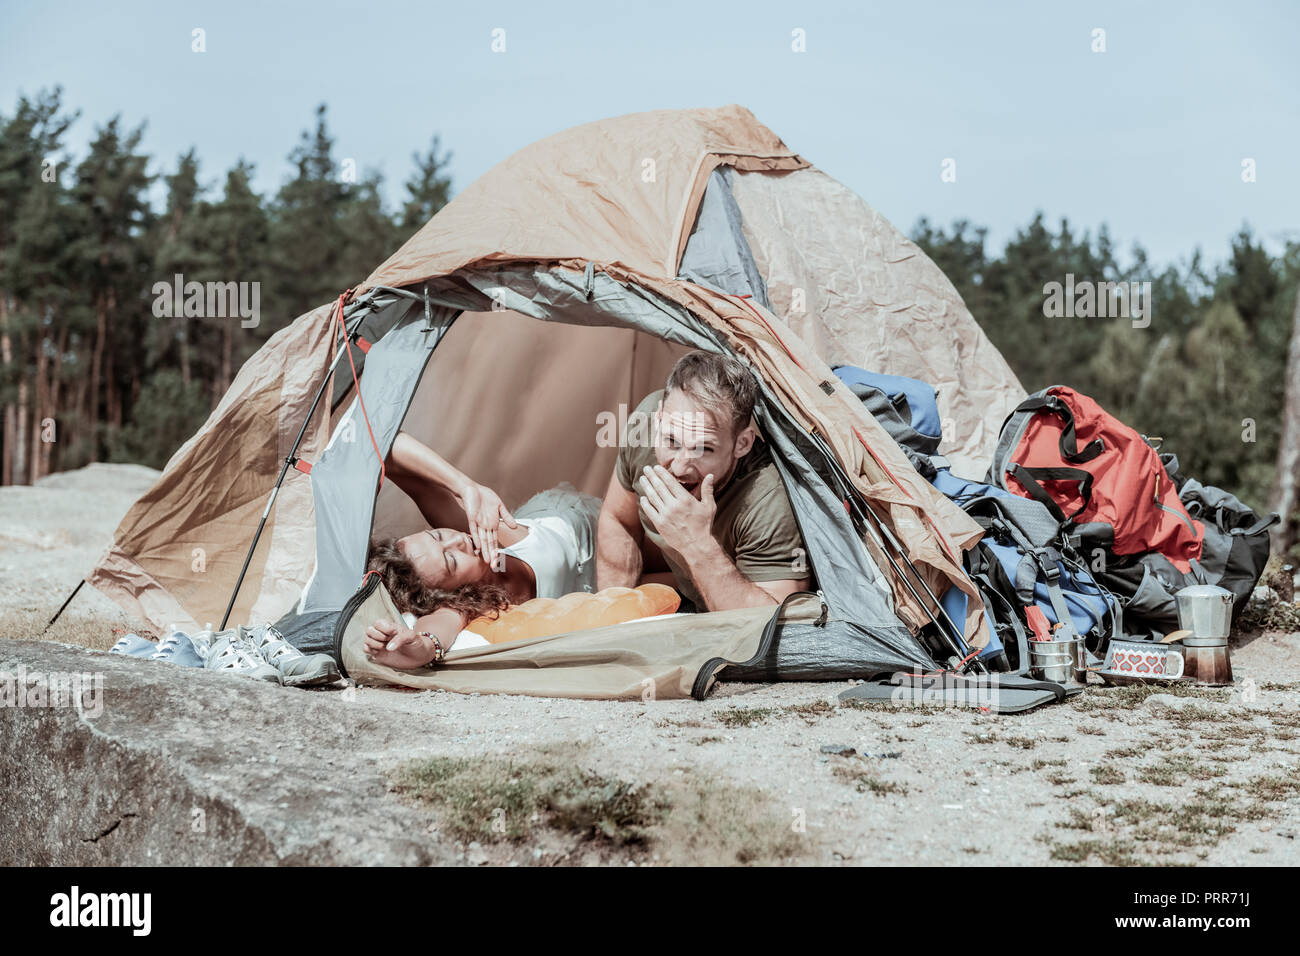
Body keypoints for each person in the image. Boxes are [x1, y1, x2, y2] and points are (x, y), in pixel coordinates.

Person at [363, 432, 601, 669]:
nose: (459, 541)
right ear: (450, 593)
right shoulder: (470, 603)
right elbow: (437, 630)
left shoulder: (478, 529)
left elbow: (383, 442)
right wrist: (418, 649)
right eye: (451, 560)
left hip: (579, 513)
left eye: (437, 535)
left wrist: (465, 487)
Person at [596, 350, 811, 612]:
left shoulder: (768, 498)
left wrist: (696, 543)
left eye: (704, 449)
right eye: (671, 442)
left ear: (742, 444)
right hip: (687, 595)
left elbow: (773, 625)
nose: (679, 467)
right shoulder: (645, 427)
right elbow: (619, 520)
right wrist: (616, 615)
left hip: (738, 618)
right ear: (660, 416)